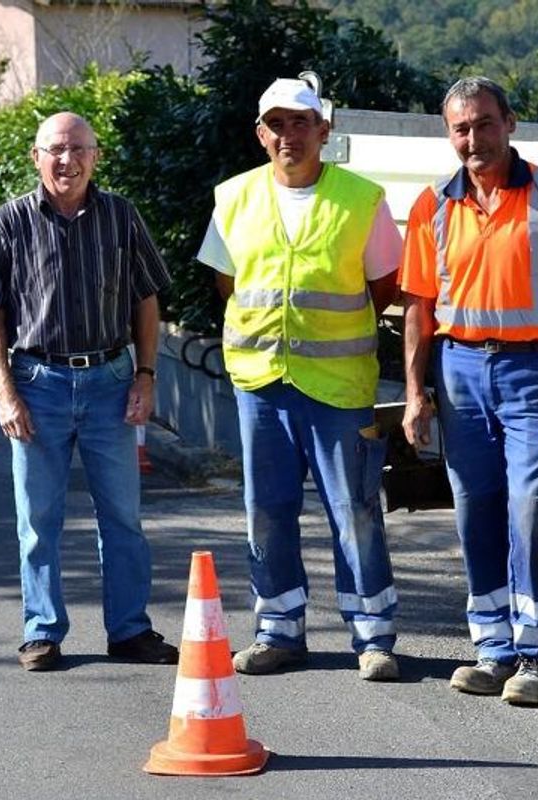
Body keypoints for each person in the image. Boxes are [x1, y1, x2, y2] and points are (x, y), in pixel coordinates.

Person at [400, 77, 538, 706]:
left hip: (532, 374)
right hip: (459, 370)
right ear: (449, 134)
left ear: (510, 123)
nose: (473, 138)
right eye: (461, 128)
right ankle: (491, 647)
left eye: (484, 124)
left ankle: (532, 652)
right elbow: (418, 306)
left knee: (530, 506)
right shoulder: (433, 205)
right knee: (475, 509)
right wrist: (416, 393)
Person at [196, 76, 404, 681]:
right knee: (267, 510)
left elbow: (383, 286)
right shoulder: (233, 198)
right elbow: (225, 282)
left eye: (301, 122)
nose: (290, 134)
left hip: (338, 387)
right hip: (261, 383)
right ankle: (278, 630)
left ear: (324, 130)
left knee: (356, 510)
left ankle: (373, 638)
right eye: (278, 124)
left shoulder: (362, 199)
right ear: (262, 134)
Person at [0, 112, 178, 672]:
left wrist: (146, 374)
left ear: (96, 156)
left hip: (110, 381)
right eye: (56, 149)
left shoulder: (121, 217)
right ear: (35, 157)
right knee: (38, 519)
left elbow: (147, 298)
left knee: (123, 518)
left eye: (79, 149)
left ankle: (130, 630)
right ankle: (41, 631)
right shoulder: (9, 222)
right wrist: (4, 393)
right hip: (38, 384)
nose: (68, 160)